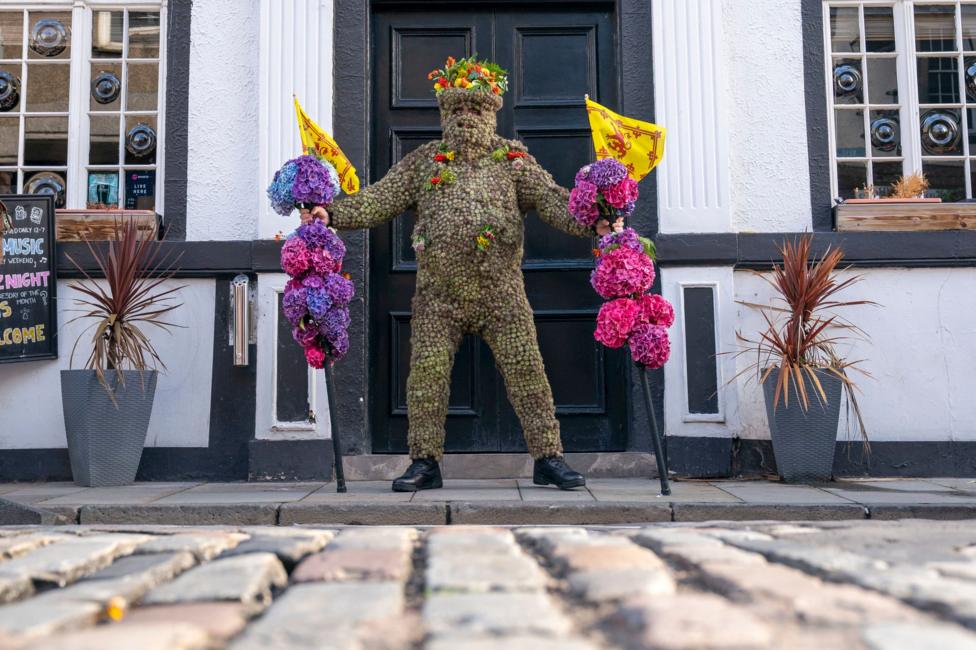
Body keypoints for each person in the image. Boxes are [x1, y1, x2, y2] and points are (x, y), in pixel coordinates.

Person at [302, 57, 621, 491]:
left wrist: (594, 217)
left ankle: (548, 458)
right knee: (426, 379)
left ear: (491, 112)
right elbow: (378, 199)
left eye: (476, 109)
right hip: (438, 297)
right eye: (456, 110)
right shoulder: (424, 162)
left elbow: (554, 201)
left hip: (502, 295)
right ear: (444, 113)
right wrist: (331, 211)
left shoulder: (514, 161)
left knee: (529, 375)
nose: (466, 118)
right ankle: (424, 463)